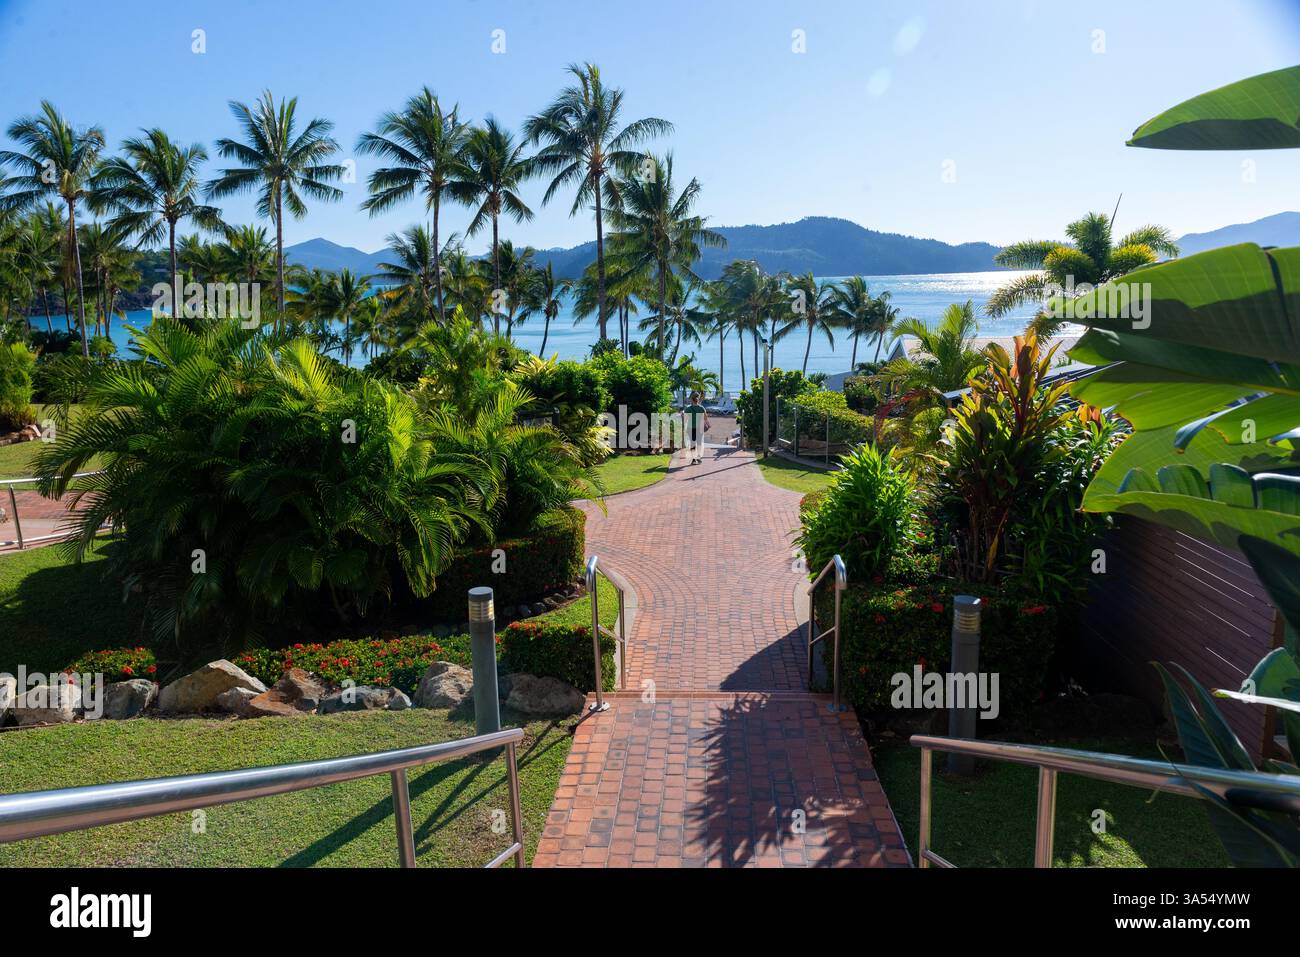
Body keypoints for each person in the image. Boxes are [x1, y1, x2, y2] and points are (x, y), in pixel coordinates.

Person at [683, 392, 709, 465]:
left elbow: (685, 419)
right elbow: (705, 418)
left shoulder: (688, 409)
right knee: (699, 443)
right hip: (699, 428)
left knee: (692, 443)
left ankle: (694, 459)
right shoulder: (701, 408)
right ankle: (699, 458)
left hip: (690, 428)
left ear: (692, 400)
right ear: (697, 400)